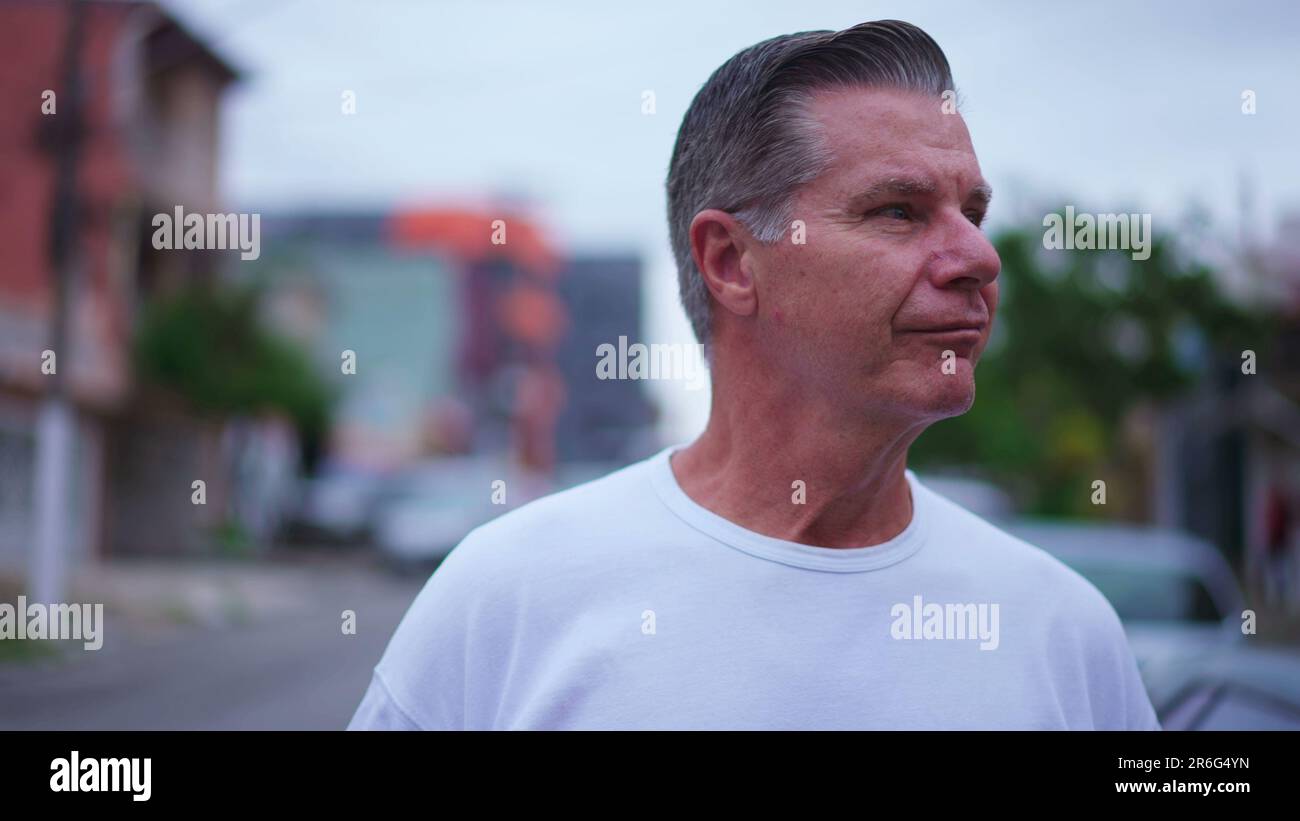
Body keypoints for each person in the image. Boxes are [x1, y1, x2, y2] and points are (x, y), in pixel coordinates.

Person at [348, 19, 1160, 730]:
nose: (980, 258)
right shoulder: (506, 599)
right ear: (731, 262)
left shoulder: (1064, 634)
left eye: (973, 213)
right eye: (898, 211)